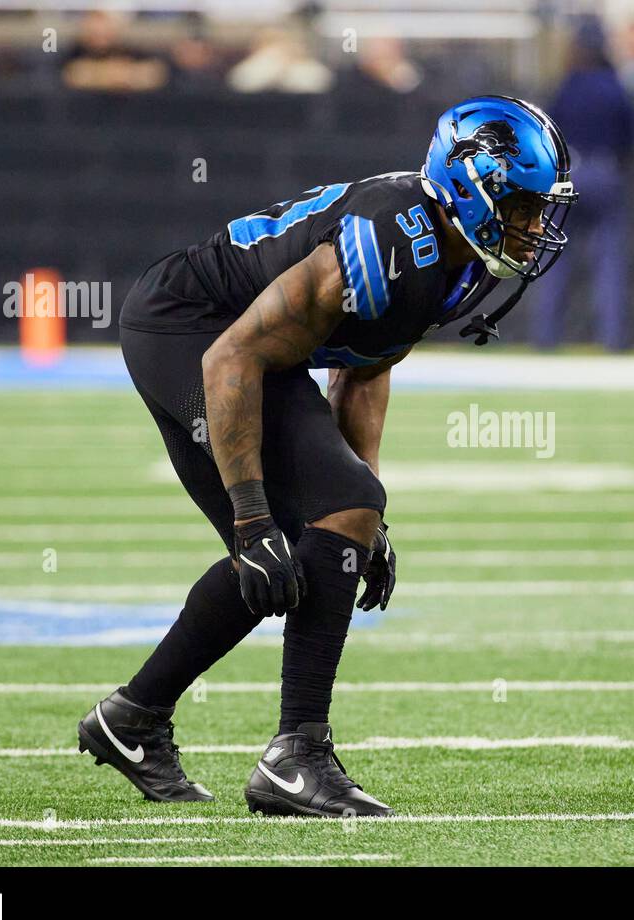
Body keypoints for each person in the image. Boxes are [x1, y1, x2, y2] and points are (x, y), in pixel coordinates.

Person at [76, 96, 577, 817]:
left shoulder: (461, 256)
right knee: (281, 541)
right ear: (471, 185)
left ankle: (133, 718)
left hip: (234, 347)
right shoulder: (389, 244)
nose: (535, 227)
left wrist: (362, 513)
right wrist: (254, 519)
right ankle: (296, 757)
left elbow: (365, 368)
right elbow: (232, 358)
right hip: (193, 334)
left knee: (307, 549)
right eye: (524, 206)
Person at [532, 17, 634, 351]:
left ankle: (546, 339)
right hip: (605, 171)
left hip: (566, 174)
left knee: (554, 257)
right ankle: (613, 340)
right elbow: (630, 137)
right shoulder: (614, 86)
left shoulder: (566, 86)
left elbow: (544, 133)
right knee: (609, 260)